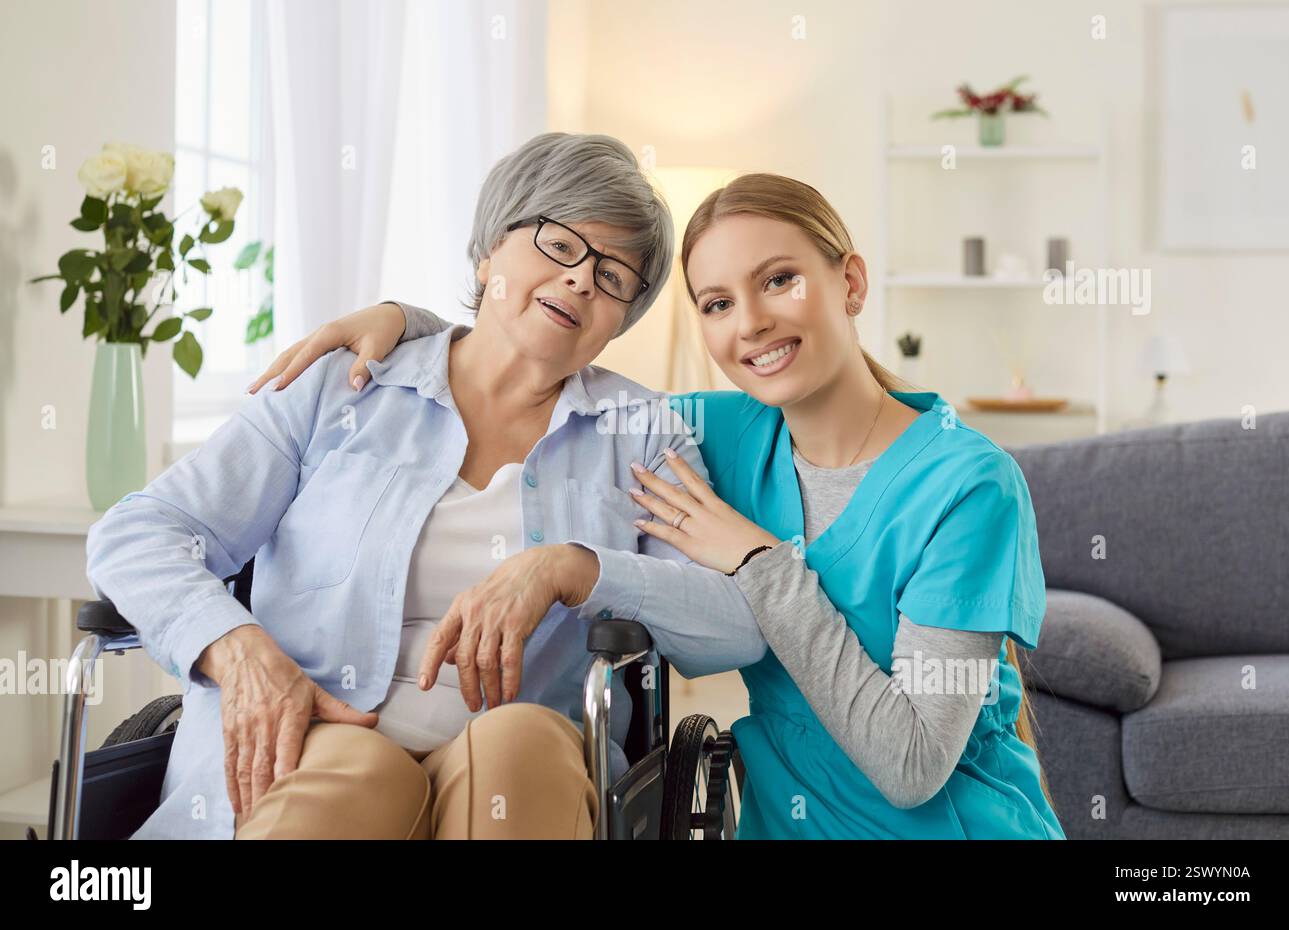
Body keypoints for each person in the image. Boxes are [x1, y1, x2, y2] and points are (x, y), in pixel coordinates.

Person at [262, 172, 1066, 839]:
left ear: (849, 281)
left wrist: (758, 564)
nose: (751, 324)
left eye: (779, 281)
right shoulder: (710, 431)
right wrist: (405, 323)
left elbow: (912, 765)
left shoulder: (969, 486)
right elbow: (534, 357)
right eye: (716, 303)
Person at [85, 132, 767, 840]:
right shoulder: (343, 385)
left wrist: (574, 568)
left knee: (522, 744)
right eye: (561, 244)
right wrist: (239, 650)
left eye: (614, 275)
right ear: (489, 249)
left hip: (514, 764)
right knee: (359, 777)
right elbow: (140, 532)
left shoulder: (645, 433)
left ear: (622, 317)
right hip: (317, 736)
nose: (581, 280)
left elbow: (731, 627)